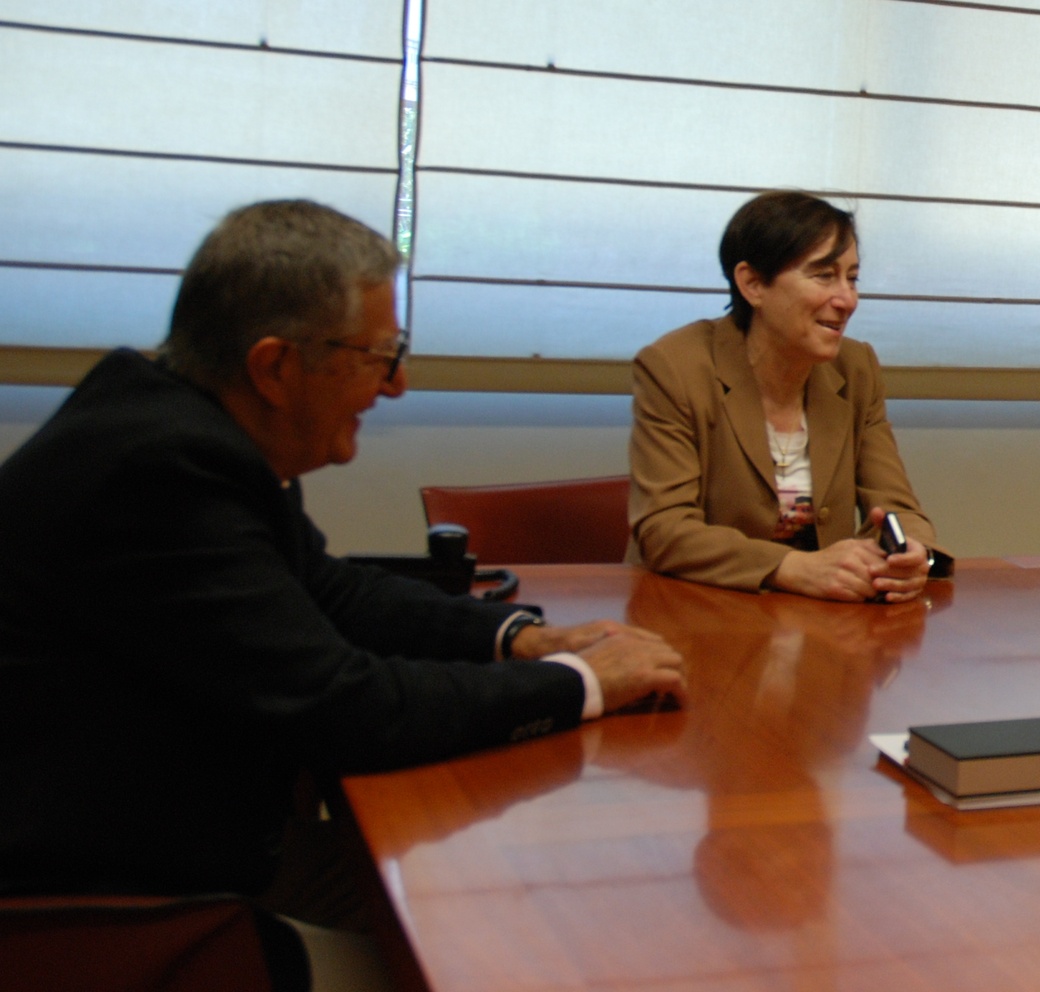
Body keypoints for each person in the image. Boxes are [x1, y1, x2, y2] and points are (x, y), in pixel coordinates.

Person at [0, 200, 686, 979]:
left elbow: (328, 588)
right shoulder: (163, 472)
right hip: (107, 904)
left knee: (512, 893)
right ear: (275, 367)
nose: (397, 385)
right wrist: (581, 683)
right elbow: (347, 709)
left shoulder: (177, 420)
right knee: (516, 936)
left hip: (174, 830)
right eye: (379, 356)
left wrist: (524, 638)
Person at [629, 190, 946, 602]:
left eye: (852, 278)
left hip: (824, 615)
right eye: (824, 276)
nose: (847, 300)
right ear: (753, 284)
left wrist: (912, 553)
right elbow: (665, 530)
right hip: (702, 605)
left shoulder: (856, 368)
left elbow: (896, 506)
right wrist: (793, 567)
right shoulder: (675, 367)